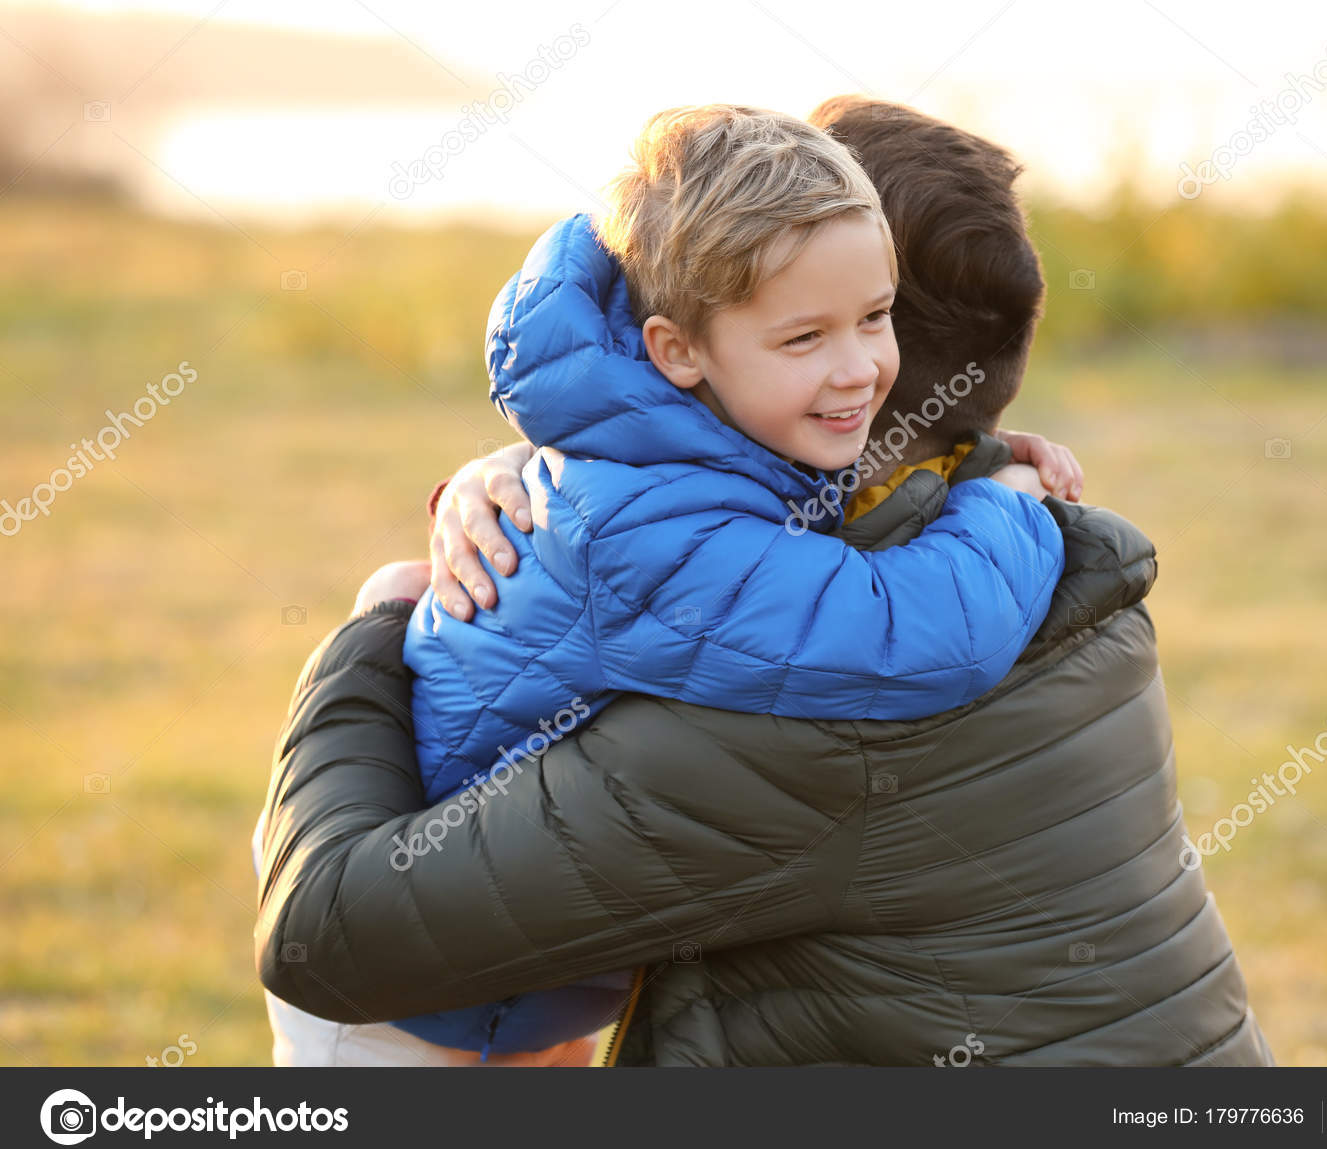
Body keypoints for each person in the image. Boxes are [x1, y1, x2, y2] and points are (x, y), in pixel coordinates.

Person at [255, 96, 1273, 1066]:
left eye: (867, 319)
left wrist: (377, 623)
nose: (849, 361)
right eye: (801, 331)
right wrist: (511, 470)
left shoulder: (794, 670)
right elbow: (668, 509)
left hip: (479, 984)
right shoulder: (1050, 564)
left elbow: (322, 933)